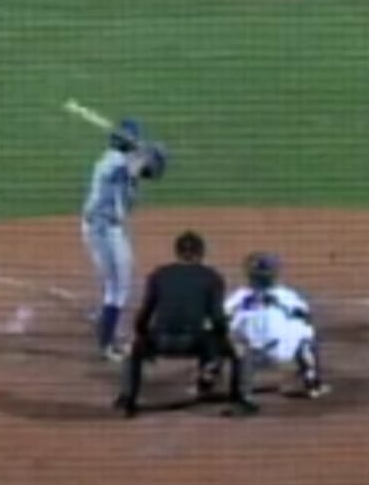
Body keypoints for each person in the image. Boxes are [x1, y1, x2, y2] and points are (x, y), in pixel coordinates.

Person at [114, 231, 255, 418]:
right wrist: (219, 345)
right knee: (240, 350)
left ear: (177, 252)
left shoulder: (159, 275)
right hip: (196, 341)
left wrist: (141, 337)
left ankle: (127, 400)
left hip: (160, 340)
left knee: (129, 350)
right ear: (201, 253)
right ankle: (240, 399)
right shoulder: (211, 277)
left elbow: (145, 313)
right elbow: (217, 318)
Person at [80, 118, 167, 361]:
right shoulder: (113, 162)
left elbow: (150, 170)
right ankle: (107, 344)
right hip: (103, 230)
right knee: (120, 288)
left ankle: (105, 317)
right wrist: (146, 151)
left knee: (116, 280)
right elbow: (132, 167)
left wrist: (147, 152)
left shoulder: (121, 158)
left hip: (106, 228)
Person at [226, 252, 329, 399]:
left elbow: (222, 317)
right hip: (282, 352)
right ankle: (312, 382)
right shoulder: (287, 295)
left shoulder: (240, 295)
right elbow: (305, 316)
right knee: (306, 331)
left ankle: (233, 387)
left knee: (228, 332)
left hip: (249, 356)